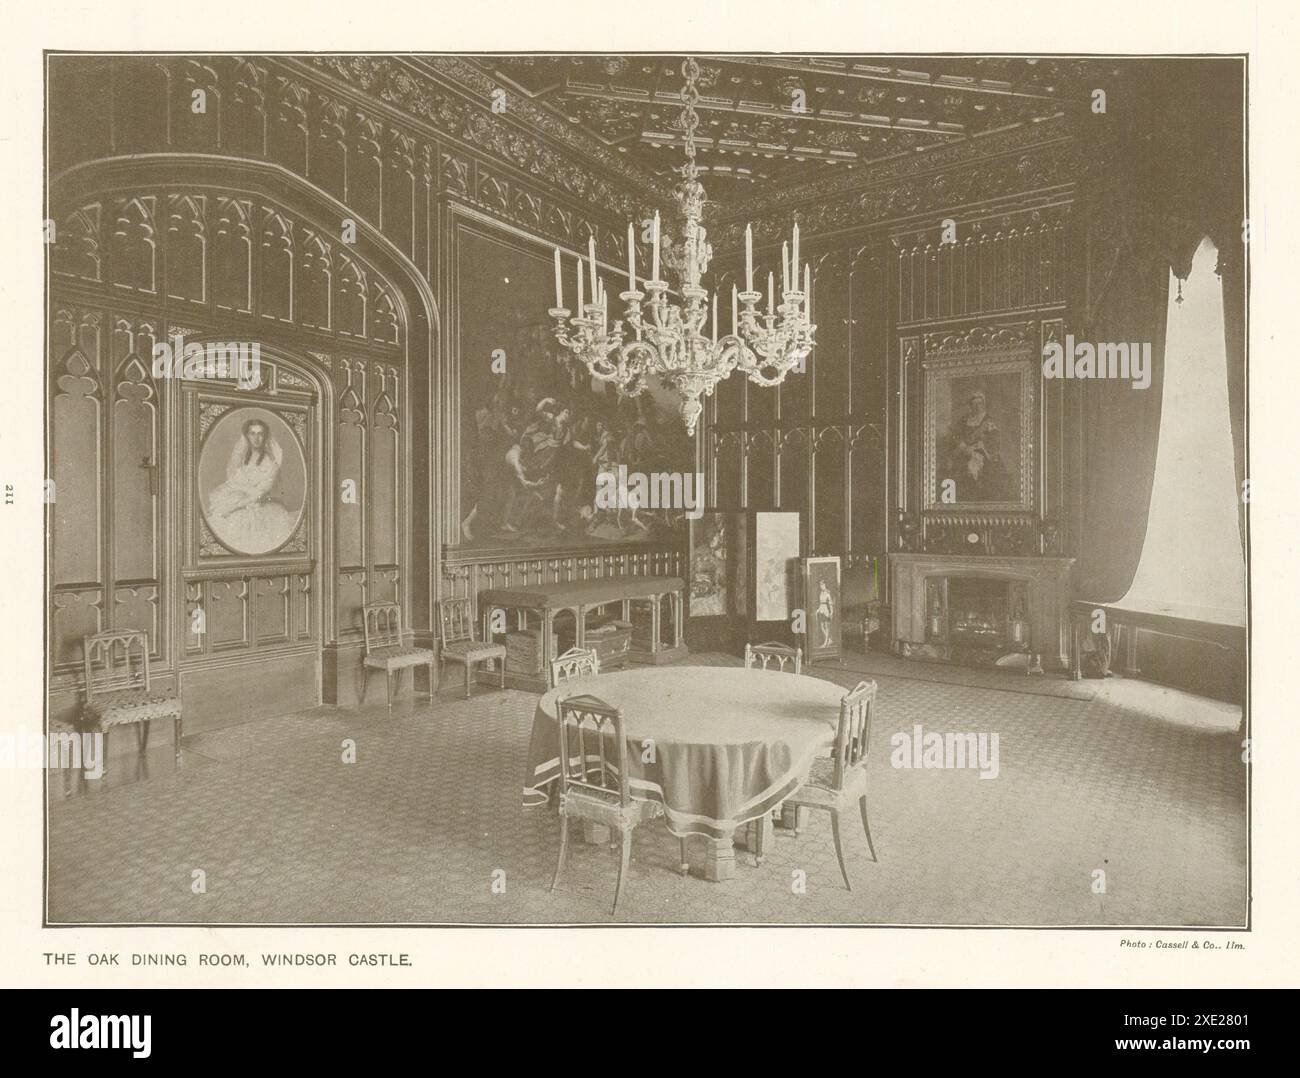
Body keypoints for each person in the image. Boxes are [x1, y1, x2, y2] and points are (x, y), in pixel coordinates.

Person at [206, 418, 297, 552]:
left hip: (258, 507)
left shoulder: (271, 465)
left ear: (265, 436)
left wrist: (232, 507)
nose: (256, 438)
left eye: (260, 433)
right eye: (252, 433)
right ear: (247, 436)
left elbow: (258, 494)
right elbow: (233, 482)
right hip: (239, 502)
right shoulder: (242, 460)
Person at [945, 387, 1006, 502]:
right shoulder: (964, 420)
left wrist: (983, 446)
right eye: (974, 404)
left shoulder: (988, 421)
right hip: (964, 453)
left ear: (983, 404)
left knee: (988, 477)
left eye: (980, 403)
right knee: (957, 474)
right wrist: (963, 447)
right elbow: (955, 436)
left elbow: (995, 441)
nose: (977, 406)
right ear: (970, 405)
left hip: (983, 454)